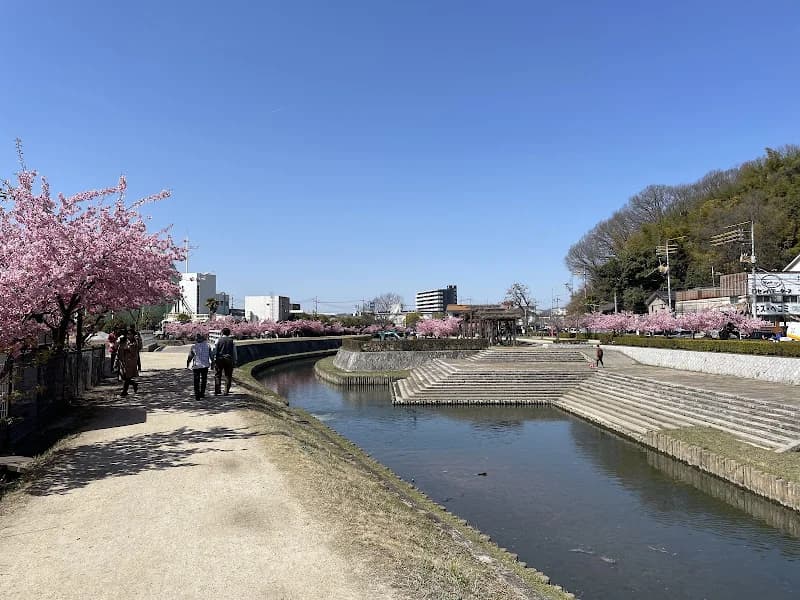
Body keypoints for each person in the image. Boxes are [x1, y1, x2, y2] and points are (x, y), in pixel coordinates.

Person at [187, 333, 212, 399]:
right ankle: (202, 393)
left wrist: (188, 363)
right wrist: (213, 363)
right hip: (205, 365)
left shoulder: (194, 346)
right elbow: (211, 356)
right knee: (204, 380)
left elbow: (190, 356)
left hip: (196, 366)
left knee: (196, 380)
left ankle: (197, 394)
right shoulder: (208, 346)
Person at [115, 329, 140, 396]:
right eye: (128, 334)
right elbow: (117, 349)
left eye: (130, 334)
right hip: (123, 361)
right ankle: (134, 384)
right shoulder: (123, 340)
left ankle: (124, 391)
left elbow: (135, 350)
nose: (129, 335)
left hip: (130, 361)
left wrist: (128, 347)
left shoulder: (134, 341)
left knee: (127, 376)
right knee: (123, 376)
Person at [213, 327, 237, 396]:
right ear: (229, 333)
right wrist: (235, 360)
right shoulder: (232, 341)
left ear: (222, 332)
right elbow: (234, 352)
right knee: (228, 375)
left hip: (219, 359)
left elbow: (215, 350)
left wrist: (214, 359)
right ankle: (226, 391)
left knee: (217, 375)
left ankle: (217, 390)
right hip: (229, 359)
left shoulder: (218, 340)